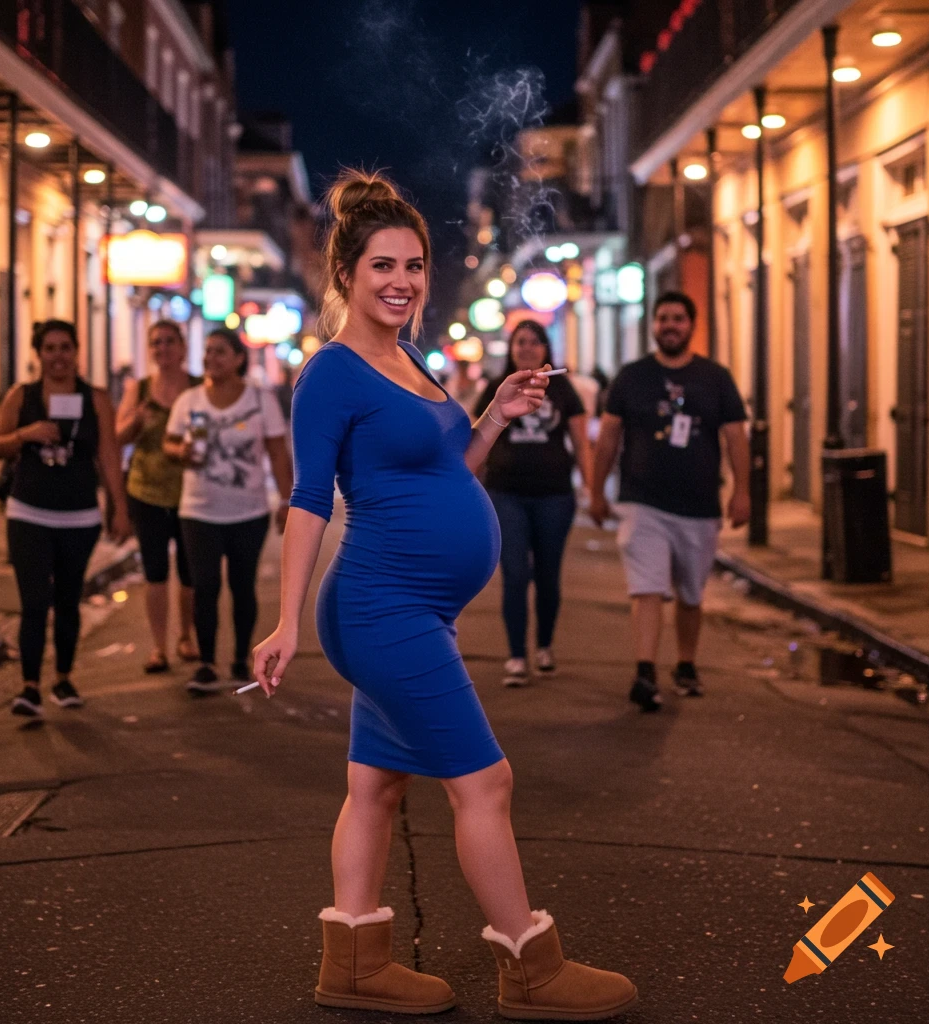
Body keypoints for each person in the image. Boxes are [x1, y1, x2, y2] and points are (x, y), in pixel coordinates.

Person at [252, 170, 637, 1020]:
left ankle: (353, 960)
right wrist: (284, 622)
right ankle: (533, 968)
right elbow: (311, 501)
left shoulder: (412, 358)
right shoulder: (332, 374)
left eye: (415, 265)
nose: (402, 281)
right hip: (380, 608)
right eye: (383, 265)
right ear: (346, 273)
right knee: (486, 782)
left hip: (416, 610)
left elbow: (445, 473)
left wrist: (493, 416)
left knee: (377, 787)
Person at [590, 290, 751, 711]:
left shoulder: (715, 378)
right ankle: (645, 672)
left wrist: (743, 492)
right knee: (647, 588)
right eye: (663, 318)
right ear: (653, 325)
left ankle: (686, 664)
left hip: (700, 505)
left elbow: (735, 436)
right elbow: (608, 437)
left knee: (691, 594)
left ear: (691, 325)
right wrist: (596, 490)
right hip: (643, 502)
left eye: (678, 319)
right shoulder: (632, 377)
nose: (670, 325)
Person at [0, 319, 130, 719]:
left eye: (64, 347)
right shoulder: (23, 396)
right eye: (49, 348)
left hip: (78, 516)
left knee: (68, 600)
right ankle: (29, 687)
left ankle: (64, 678)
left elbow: (108, 455)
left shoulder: (96, 398)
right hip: (28, 513)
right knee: (34, 601)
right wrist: (26, 434)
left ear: (76, 352)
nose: (57, 356)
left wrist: (119, 509)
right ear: (39, 354)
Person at [164, 328, 293, 694]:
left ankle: (239, 659)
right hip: (198, 510)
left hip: (247, 511)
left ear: (239, 358)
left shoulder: (259, 399)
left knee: (241, 585)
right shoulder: (189, 401)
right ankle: (206, 663)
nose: (211, 359)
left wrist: (286, 501)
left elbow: (277, 452)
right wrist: (181, 452)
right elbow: (170, 443)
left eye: (220, 352)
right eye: (207, 352)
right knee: (204, 585)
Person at [475, 320, 589, 687]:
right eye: (520, 342)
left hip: (554, 494)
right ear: (511, 348)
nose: (527, 348)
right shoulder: (497, 387)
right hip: (505, 493)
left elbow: (581, 442)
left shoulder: (563, 388)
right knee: (515, 573)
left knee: (548, 575)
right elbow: (476, 436)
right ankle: (516, 655)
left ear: (545, 349)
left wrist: (593, 489)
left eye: (534, 342)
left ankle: (544, 646)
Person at [116, 321, 202, 673]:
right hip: (146, 491)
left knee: (189, 572)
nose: (162, 348)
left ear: (181, 348)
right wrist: (135, 421)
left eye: (168, 342)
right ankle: (158, 647)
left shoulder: (198, 387)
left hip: (191, 493)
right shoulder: (140, 389)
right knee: (155, 573)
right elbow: (118, 437)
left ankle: (187, 637)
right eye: (156, 343)